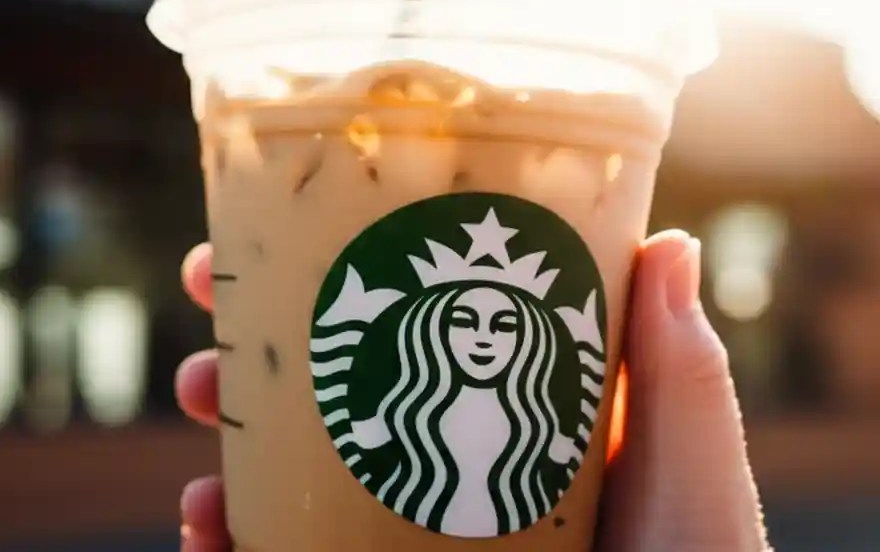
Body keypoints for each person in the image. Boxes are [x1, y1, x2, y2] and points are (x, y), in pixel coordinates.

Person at [174, 231, 769, 552]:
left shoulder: (546, 441)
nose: (484, 338)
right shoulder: (382, 427)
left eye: (504, 324)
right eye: (464, 321)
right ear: (432, 330)